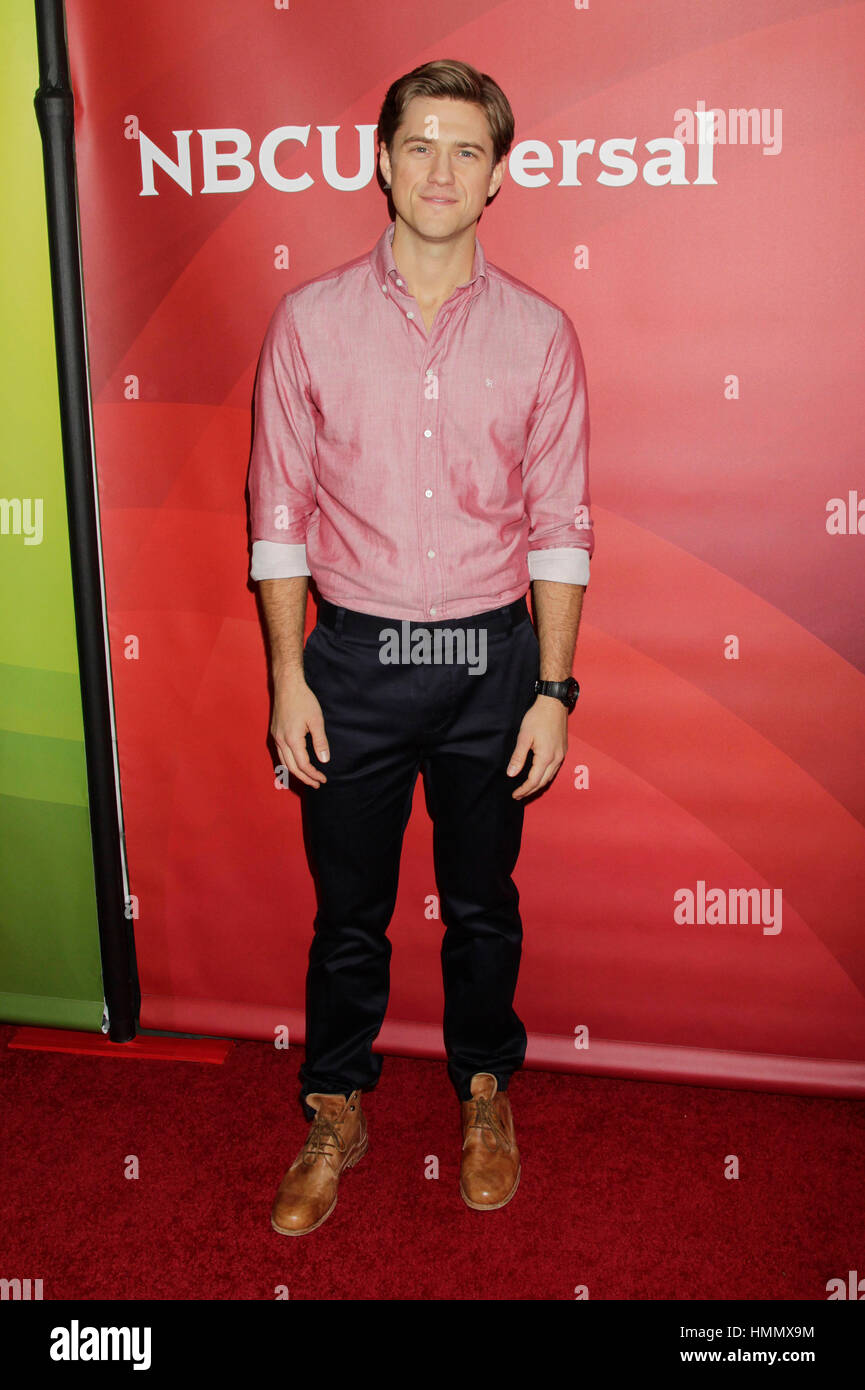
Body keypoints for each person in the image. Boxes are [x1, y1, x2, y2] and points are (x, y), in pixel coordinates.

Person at [247, 59, 593, 1236]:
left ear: (497, 175)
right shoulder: (307, 323)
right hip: (349, 667)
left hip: (495, 669)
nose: (439, 169)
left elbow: (559, 524)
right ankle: (337, 1103)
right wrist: (289, 675)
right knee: (349, 912)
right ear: (379, 160)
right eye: (418, 144)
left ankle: (484, 1089)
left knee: (483, 902)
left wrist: (552, 689)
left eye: (464, 149)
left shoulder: (544, 334)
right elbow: (277, 518)